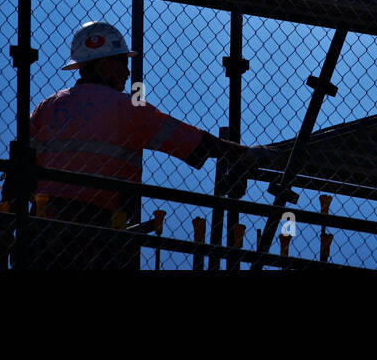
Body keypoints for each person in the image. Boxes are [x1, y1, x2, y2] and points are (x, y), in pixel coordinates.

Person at [25, 20, 278, 269]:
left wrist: (6, 225)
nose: (127, 72)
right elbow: (196, 141)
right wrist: (246, 153)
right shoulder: (129, 109)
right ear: (103, 66)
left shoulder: (48, 106)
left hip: (43, 225)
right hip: (99, 232)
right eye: (122, 62)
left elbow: (21, 168)